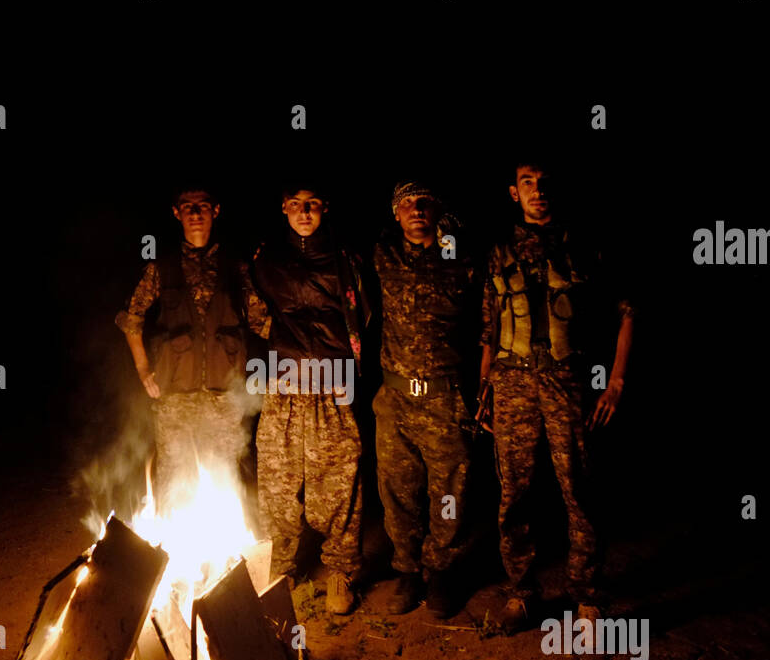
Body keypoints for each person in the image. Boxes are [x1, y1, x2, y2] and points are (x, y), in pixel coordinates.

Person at [479, 160, 635, 632]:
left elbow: (627, 312)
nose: (537, 191)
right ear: (514, 192)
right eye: (527, 183)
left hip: (568, 382)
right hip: (511, 384)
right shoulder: (499, 249)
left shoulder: (586, 246)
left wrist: (616, 381)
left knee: (578, 491)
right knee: (513, 495)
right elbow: (488, 324)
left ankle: (588, 598)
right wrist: (484, 384)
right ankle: (522, 593)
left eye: (545, 183)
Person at [251, 184, 370, 614]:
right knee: (278, 483)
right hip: (283, 383)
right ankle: (282, 568)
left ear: (324, 208)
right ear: (283, 208)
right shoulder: (266, 259)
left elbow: (364, 317)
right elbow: (255, 312)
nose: (304, 212)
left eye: (313, 205)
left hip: (332, 383)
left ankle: (341, 570)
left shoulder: (345, 259)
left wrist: (347, 367)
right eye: (296, 205)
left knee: (338, 481)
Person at [115, 185, 269, 515]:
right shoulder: (163, 266)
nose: (195, 214)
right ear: (176, 213)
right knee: (173, 480)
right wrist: (143, 369)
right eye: (188, 207)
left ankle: (223, 556)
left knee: (226, 475)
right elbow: (132, 319)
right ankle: (173, 553)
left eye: (202, 206)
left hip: (224, 395)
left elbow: (261, 322)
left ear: (216, 210)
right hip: (174, 396)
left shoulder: (236, 267)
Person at [371, 181, 478, 617]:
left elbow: (485, 318)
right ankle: (408, 572)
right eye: (407, 204)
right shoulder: (382, 257)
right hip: (395, 398)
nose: (416, 210)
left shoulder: (461, 259)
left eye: (425, 203)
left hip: (444, 397)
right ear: (395, 214)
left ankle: (441, 575)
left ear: (438, 211)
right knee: (397, 491)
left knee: (449, 492)